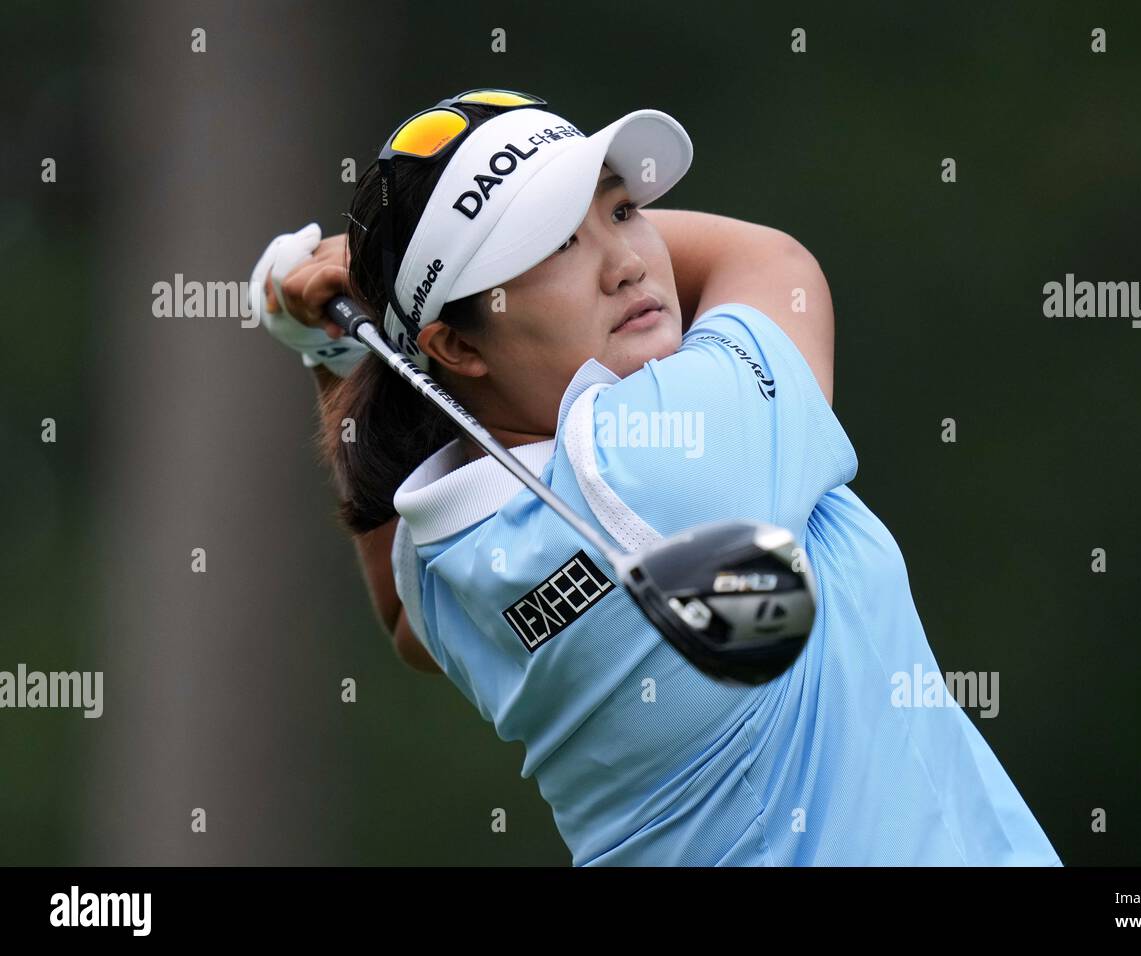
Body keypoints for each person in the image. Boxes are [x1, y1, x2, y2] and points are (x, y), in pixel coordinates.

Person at [251, 88, 1062, 866]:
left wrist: (341, 348)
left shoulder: (459, 542)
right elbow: (772, 261)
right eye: (554, 244)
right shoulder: (656, 459)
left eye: (622, 211)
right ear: (457, 348)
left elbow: (406, 620)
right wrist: (374, 294)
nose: (628, 265)